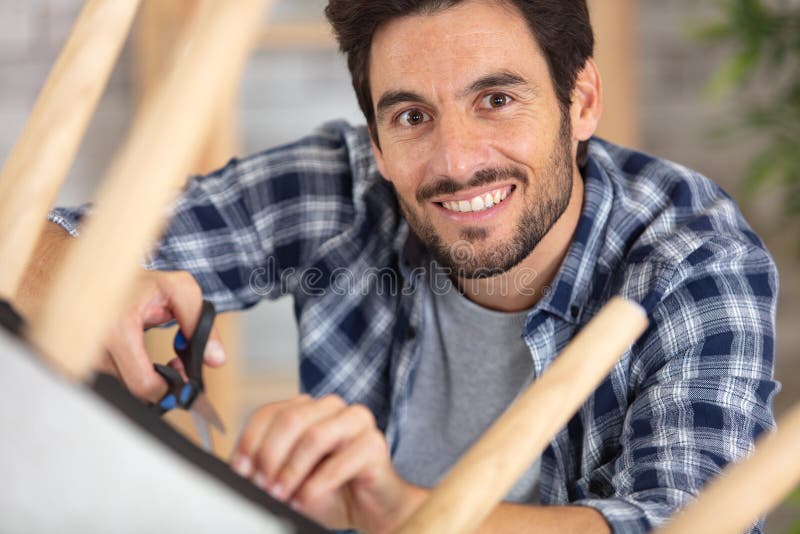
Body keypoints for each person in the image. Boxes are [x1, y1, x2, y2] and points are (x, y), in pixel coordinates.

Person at [18, 1, 779, 532]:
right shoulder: (340, 183)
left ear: (581, 102)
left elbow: (688, 521)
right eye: (412, 116)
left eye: (496, 99)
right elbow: (22, 246)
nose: (455, 162)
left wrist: (393, 511)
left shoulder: (693, 259)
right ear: (377, 143)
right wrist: (94, 279)